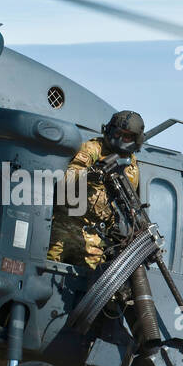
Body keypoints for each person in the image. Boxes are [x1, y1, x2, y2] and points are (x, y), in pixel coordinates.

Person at [47, 110, 143, 269]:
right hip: (66, 225)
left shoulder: (132, 167)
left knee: (97, 283)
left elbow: (128, 201)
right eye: (118, 133)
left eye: (126, 136)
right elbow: (67, 179)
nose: (120, 139)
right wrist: (89, 174)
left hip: (96, 235)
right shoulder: (93, 149)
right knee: (49, 269)